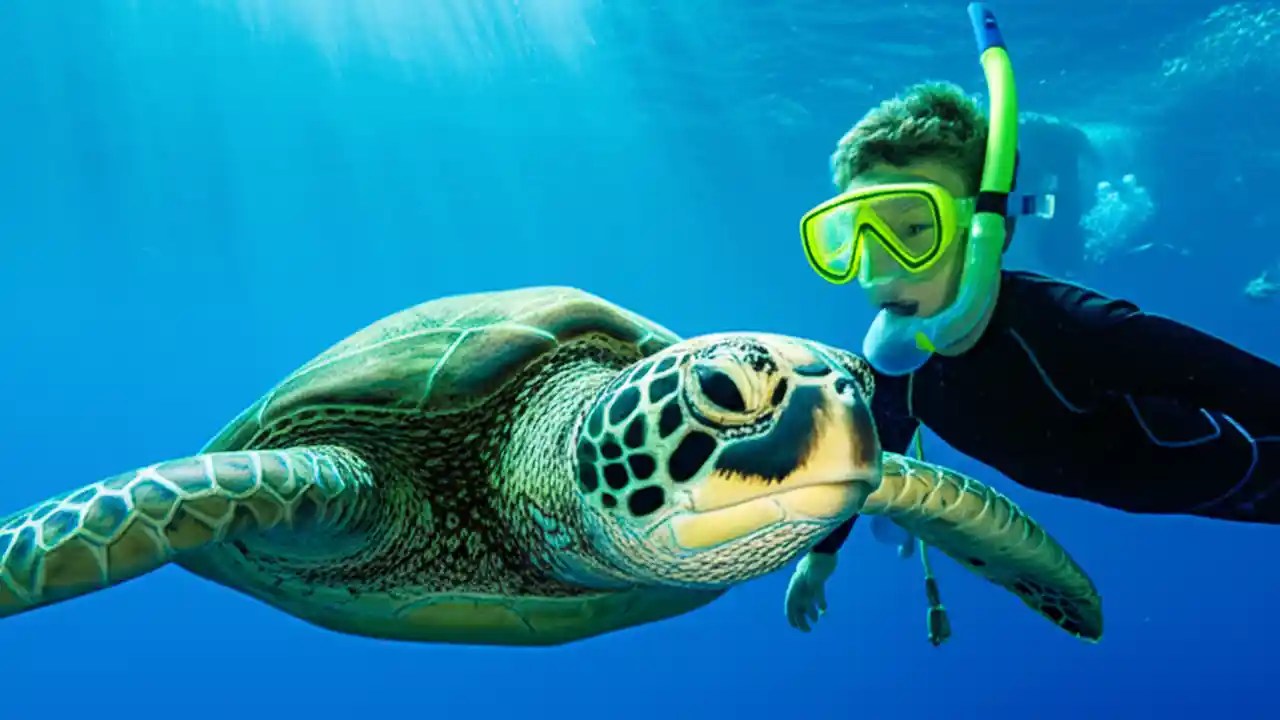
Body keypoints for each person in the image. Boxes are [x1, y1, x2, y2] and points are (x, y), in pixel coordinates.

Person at [784, 6, 1280, 633]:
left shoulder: (1074, 329)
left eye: (916, 230)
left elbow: (1254, 389)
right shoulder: (897, 370)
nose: (884, 267)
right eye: (856, 236)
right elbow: (869, 458)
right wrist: (820, 559)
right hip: (1180, 497)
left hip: (1246, 469)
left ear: (991, 229)